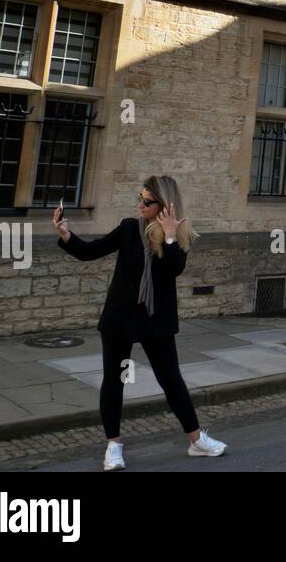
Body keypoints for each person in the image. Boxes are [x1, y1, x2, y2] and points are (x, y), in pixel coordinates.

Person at [54, 175, 227, 470]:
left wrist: (170, 235)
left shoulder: (181, 234)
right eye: (139, 197)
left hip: (155, 319)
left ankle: (196, 440)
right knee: (115, 380)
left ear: (163, 204)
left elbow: (175, 269)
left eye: (146, 201)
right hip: (120, 317)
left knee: (171, 379)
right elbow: (90, 251)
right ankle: (114, 446)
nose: (140, 204)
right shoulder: (128, 229)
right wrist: (66, 234)